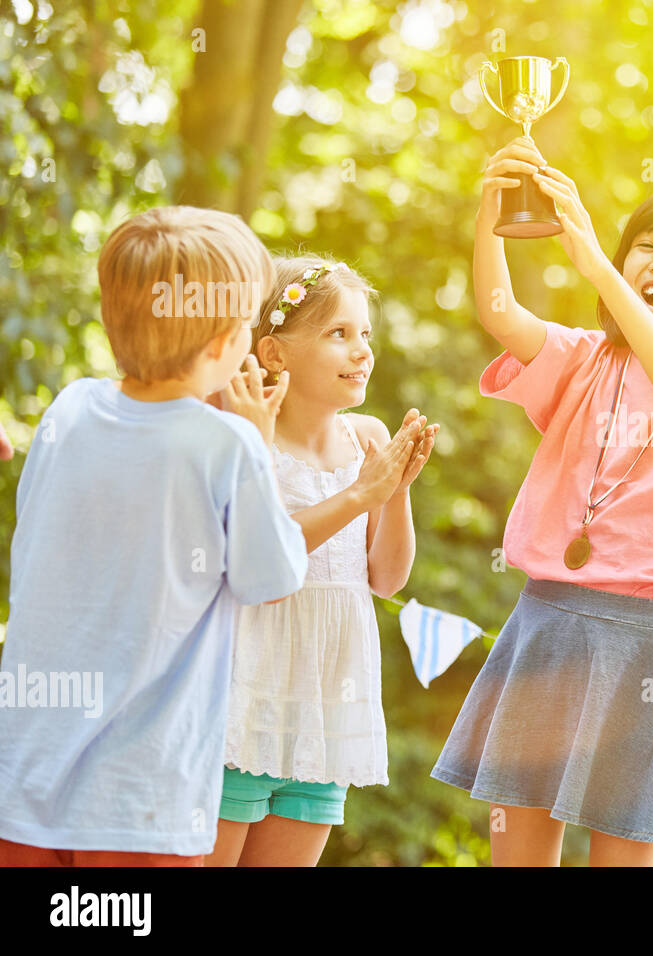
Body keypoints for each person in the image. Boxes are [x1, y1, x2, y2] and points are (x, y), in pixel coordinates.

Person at [431, 137, 653, 866]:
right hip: (549, 620)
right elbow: (498, 312)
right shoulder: (585, 359)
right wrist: (491, 212)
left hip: (650, 639)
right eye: (644, 245)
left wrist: (596, 264)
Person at [0, 206, 308, 865]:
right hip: (142, 801)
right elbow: (275, 579)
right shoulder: (230, 445)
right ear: (226, 342)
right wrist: (258, 441)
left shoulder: (69, 408)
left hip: (23, 782)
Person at [205, 256, 437, 867]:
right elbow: (258, 563)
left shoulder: (367, 438)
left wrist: (397, 487)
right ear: (276, 353)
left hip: (325, 709)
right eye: (338, 333)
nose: (362, 350)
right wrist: (361, 494)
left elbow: (385, 579)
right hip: (243, 701)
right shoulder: (249, 435)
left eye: (365, 334)